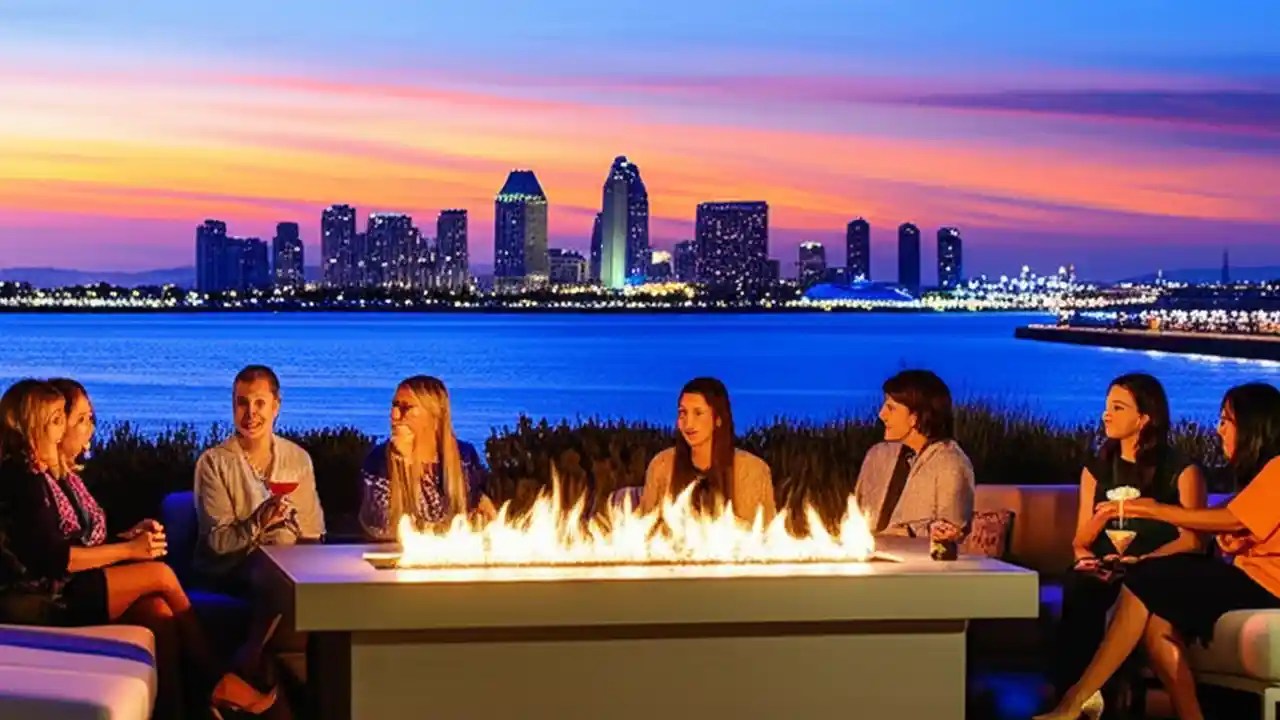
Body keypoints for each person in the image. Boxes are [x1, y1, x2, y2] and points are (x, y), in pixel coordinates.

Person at [0, 379, 272, 719]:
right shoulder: (22, 479)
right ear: (33, 426)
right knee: (160, 574)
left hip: (63, 585)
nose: (65, 431)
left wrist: (126, 540)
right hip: (43, 598)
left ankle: (178, 710)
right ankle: (219, 680)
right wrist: (129, 550)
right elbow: (56, 557)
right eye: (59, 420)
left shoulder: (44, 476)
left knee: (157, 612)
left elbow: (69, 543)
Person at [1037, 382, 1280, 720]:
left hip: (1266, 584)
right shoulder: (1258, 478)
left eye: (1226, 421)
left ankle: (1075, 701)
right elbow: (1231, 523)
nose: (1218, 429)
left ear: (1254, 427)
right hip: (1246, 577)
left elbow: (1228, 521)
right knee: (1157, 629)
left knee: (1146, 579)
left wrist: (1151, 509)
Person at [1050, 373, 1206, 708]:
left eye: (1118, 408)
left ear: (1144, 417)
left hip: (1161, 571)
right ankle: (1076, 697)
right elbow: (1081, 540)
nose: (1107, 414)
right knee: (1080, 586)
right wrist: (1101, 523)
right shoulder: (1096, 468)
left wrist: (1146, 561)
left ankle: (1092, 698)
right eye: (1106, 407)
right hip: (1107, 566)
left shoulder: (1181, 469)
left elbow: (1193, 542)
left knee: (1132, 588)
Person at [194, 365, 324, 717]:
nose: (250, 414)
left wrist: (290, 531)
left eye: (259, 404)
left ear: (276, 406)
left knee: (290, 584)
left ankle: (244, 678)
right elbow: (218, 542)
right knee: (278, 579)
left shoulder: (297, 460)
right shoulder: (214, 464)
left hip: (285, 572)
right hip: (232, 569)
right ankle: (262, 684)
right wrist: (258, 522)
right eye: (242, 403)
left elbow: (313, 533)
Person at [358, 375, 496, 540]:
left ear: (434, 416)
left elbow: (479, 512)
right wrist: (406, 464)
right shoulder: (379, 462)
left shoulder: (464, 458)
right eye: (394, 406)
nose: (394, 415)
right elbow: (381, 526)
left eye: (405, 407)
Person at [638, 377, 776, 524]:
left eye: (698, 413)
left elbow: (765, 533)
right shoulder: (662, 466)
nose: (688, 424)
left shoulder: (752, 471)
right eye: (683, 413)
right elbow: (646, 525)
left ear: (718, 419)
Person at [853, 369, 974, 537]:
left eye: (891, 408)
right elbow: (856, 514)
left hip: (918, 560)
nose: (882, 415)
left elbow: (952, 532)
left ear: (914, 417)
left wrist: (905, 533)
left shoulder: (950, 463)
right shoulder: (877, 456)